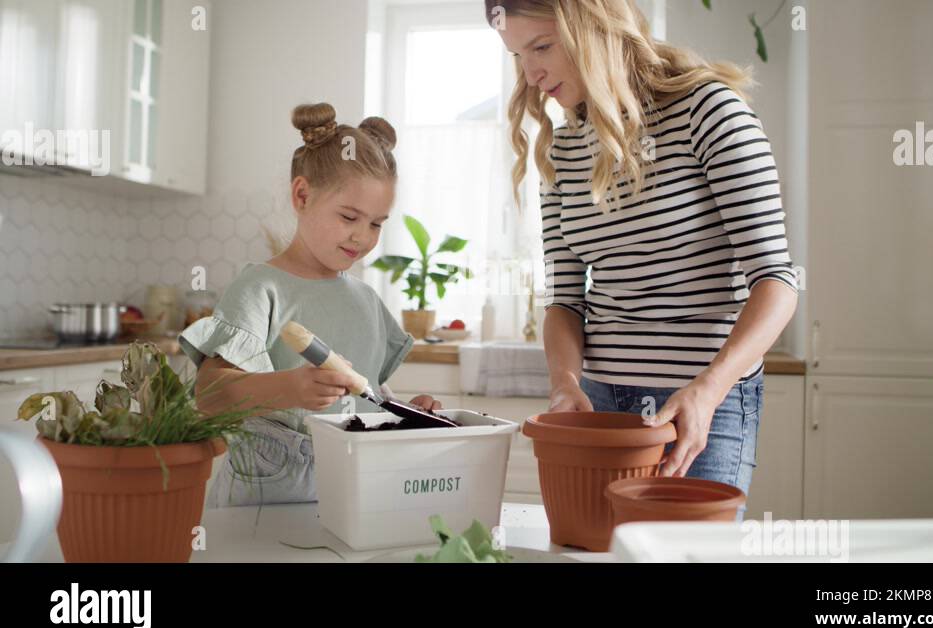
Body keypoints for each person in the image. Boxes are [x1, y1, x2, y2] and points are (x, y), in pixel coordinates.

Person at [486, 0, 799, 520]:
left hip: (703, 405)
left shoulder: (709, 112)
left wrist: (708, 391)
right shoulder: (561, 152)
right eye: (518, 54)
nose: (530, 72)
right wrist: (565, 383)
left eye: (542, 46)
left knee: (687, 557)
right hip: (601, 402)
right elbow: (565, 301)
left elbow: (776, 281)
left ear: (596, 28)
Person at [178, 103, 442, 507]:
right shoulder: (261, 288)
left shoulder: (367, 301)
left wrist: (405, 411)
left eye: (376, 223)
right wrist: (290, 387)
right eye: (349, 216)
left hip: (351, 491)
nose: (363, 237)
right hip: (266, 499)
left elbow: (365, 394)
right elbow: (210, 392)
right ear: (302, 195)